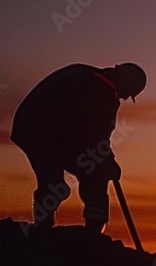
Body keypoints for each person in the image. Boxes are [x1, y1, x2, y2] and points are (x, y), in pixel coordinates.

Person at [10, 62, 147, 233]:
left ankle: (43, 225)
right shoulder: (102, 94)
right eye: (127, 93)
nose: (124, 98)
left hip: (35, 129)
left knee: (57, 182)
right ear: (123, 83)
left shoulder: (85, 74)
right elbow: (97, 137)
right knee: (95, 175)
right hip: (43, 134)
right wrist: (108, 164)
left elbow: (92, 136)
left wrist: (105, 159)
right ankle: (91, 232)